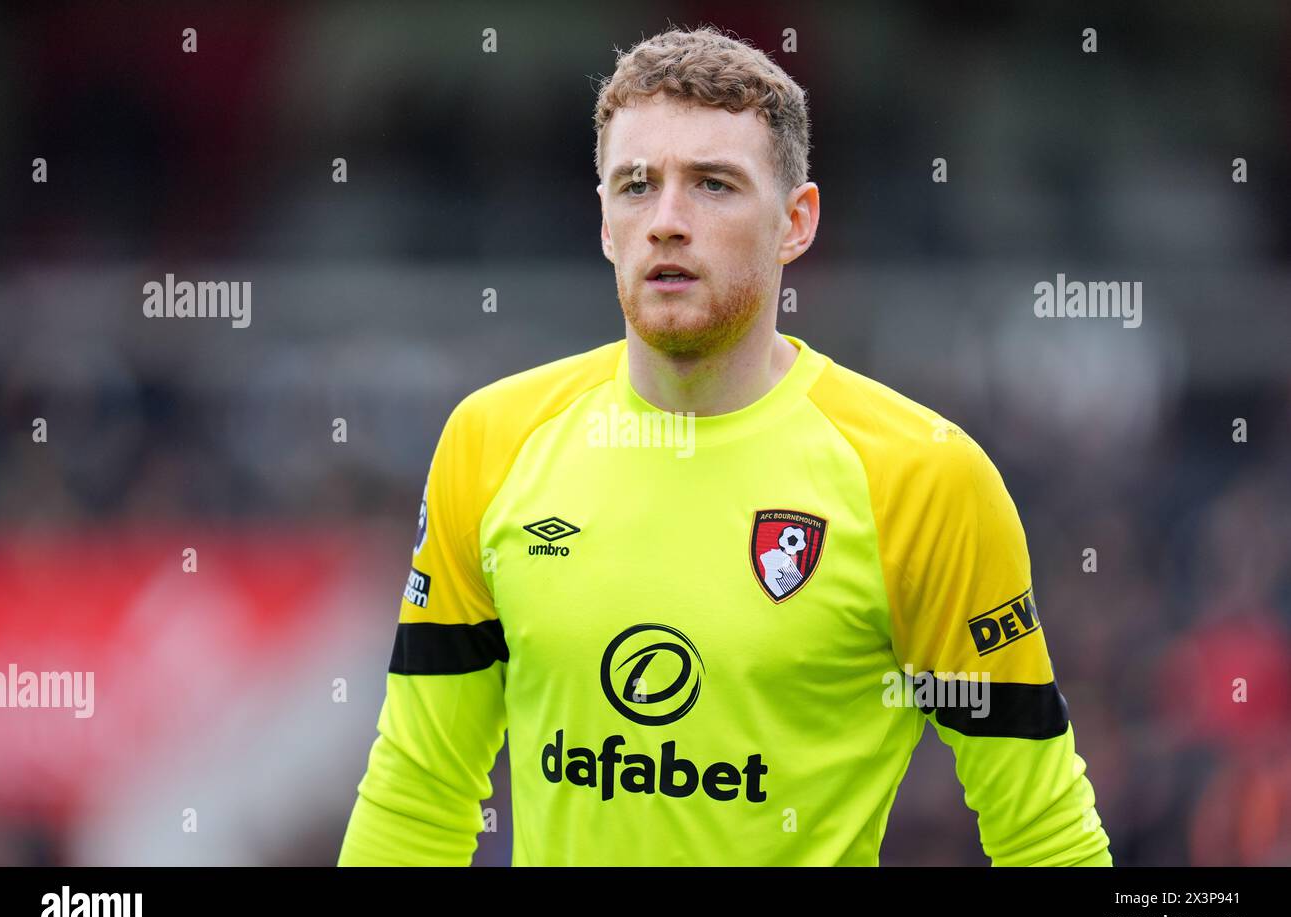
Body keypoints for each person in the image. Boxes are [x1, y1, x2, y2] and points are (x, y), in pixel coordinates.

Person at [338, 24, 1112, 866]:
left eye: (713, 184)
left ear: (796, 222)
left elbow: (1042, 835)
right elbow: (418, 793)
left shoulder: (923, 477)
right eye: (636, 185)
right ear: (603, 220)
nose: (667, 221)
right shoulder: (491, 441)